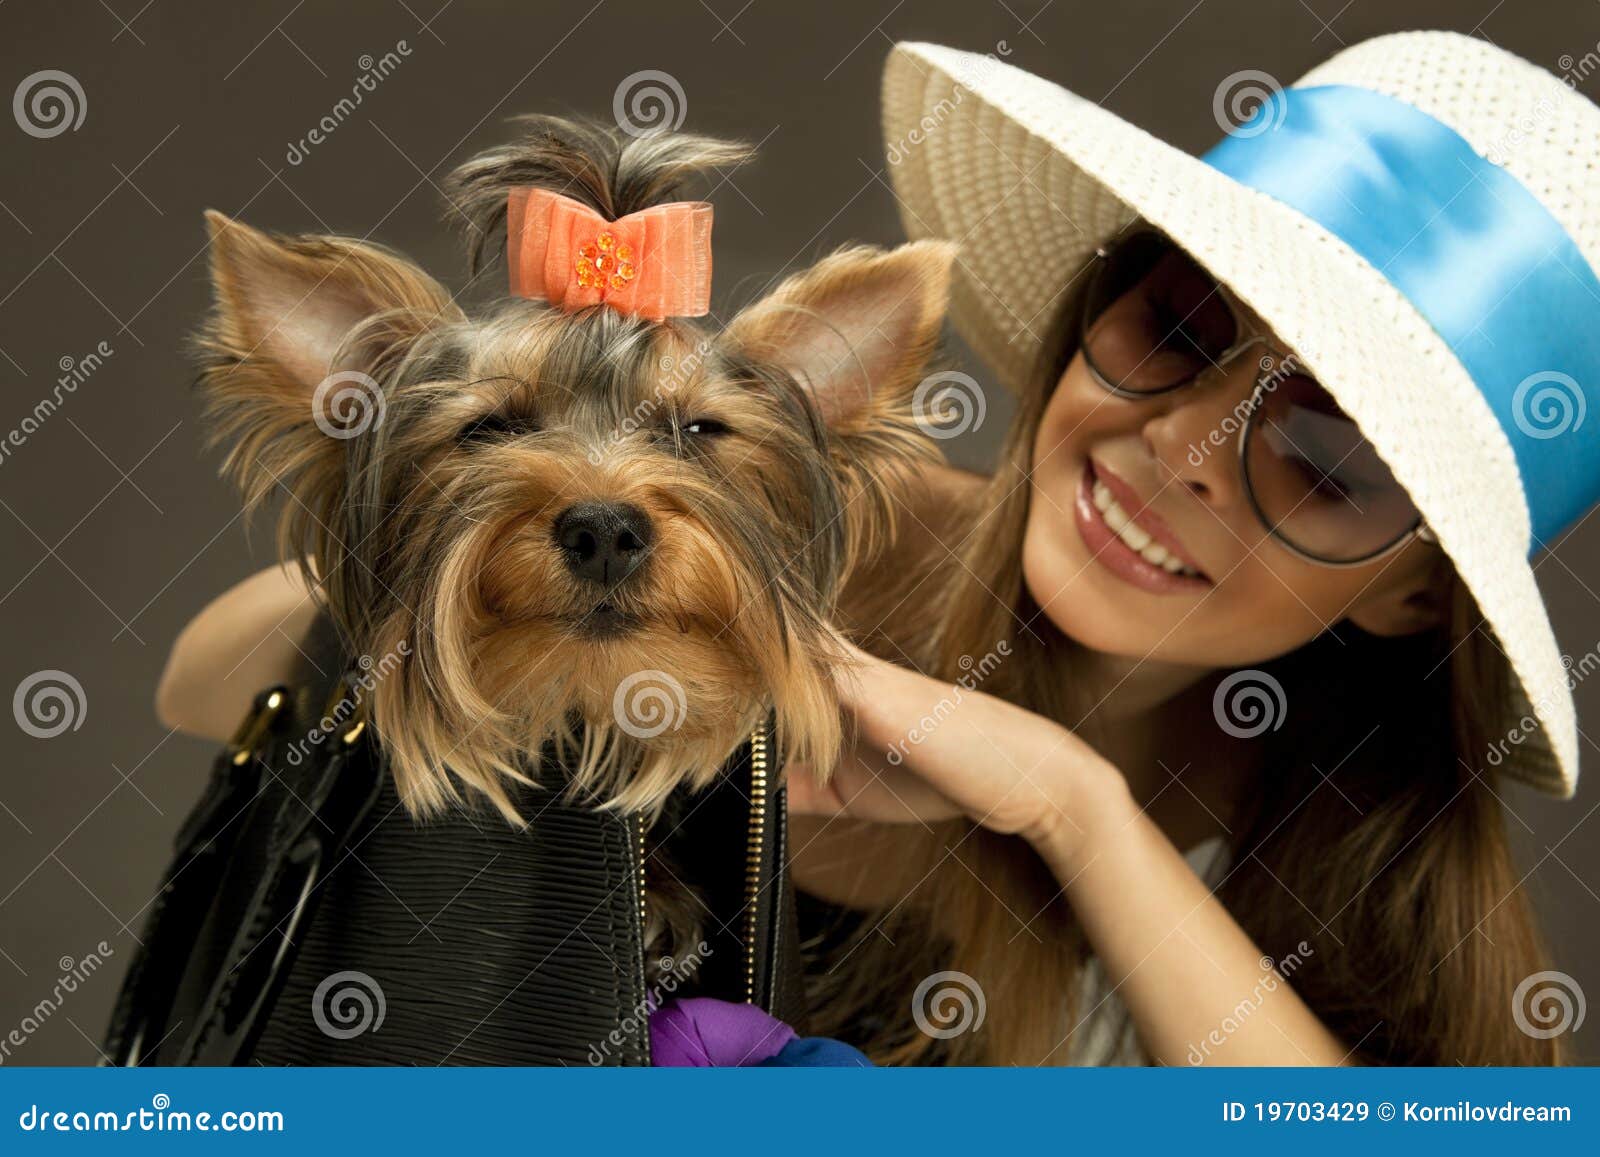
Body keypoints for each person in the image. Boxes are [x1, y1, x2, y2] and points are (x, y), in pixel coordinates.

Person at [159, 30, 1597, 1065]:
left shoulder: (1366, 858)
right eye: (1179, 331)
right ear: (1089, 314)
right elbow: (202, 681)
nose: (1184, 453)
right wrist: (460, 547)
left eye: (1324, 455)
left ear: (1421, 589)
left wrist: (1074, 805)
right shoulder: (790, 547)